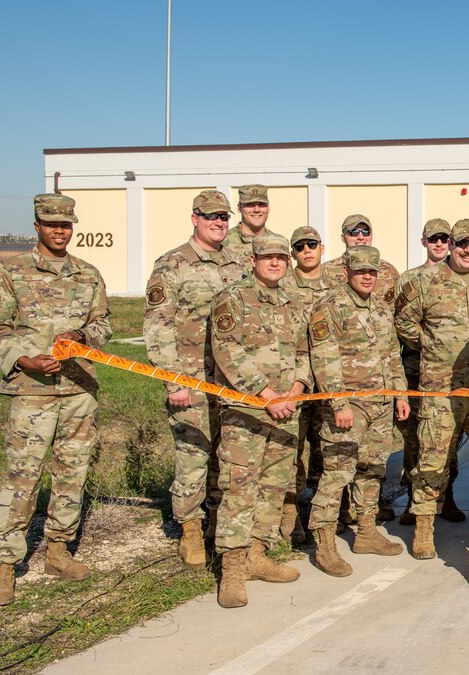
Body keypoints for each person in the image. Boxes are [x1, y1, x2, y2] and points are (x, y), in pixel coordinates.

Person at [0, 193, 112, 607]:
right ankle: (5, 564)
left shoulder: (88, 274)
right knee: (23, 476)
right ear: (36, 225)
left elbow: (103, 325)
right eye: (51, 223)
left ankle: (58, 551)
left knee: (72, 474)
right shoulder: (11, 272)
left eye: (66, 223)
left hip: (78, 390)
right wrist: (22, 358)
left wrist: (82, 339)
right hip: (31, 392)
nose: (60, 230)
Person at [144, 189, 249, 568]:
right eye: (210, 216)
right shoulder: (172, 264)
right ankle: (190, 528)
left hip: (232, 380)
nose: (218, 222)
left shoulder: (238, 264)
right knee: (193, 455)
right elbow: (158, 327)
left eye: (223, 216)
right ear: (194, 219)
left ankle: (218, 527)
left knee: (227, 455)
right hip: (192, 378)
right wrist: (174, 381)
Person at [211, 232, 311, 608]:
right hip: (246, 411)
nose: (275, 262)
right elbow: (228, 352)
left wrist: (298, 388)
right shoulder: (232, 299)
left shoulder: (293, 303)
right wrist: (267, 396)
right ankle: (233, 569)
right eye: (267, 256)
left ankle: (257, 553)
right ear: (252, 260)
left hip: (286, 411)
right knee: (239, 487)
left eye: (281, 257)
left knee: (272, 485)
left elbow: (304, 350)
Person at [395, 218, 469, 559]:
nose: (468, 250)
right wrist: (431, 345)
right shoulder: (426, 280)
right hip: (440, 389)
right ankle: (425, 528)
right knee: (431, 460)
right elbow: (402, 320)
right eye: (462, 244)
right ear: (452, 245)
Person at [307, 246, 409, 577]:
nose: (367, 276)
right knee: (337, 472)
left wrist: (401, 394)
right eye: (360, 270)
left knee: (371, 469)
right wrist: (338, 403)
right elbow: (323, 358)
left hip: (380, 404)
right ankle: (324, 543)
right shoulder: (330, 306)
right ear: (348, 271)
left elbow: (393, 353)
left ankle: (365, 532)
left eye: (372, 271)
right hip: (349, 406)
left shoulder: (379, 308)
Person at [394, 218, 460, 526]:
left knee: (449, 439)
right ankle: (413, 500)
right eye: (433, 238)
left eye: (444, 238)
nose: (439, 243)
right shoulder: (411, 278)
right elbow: (401, 321)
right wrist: (431, 343)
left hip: (452, 376)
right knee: (417, 441)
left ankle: (447, 499)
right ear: (424, 242)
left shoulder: (459, 277)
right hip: (417, 372)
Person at [283, 225, 331, 545]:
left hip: (328, 378)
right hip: (296, 378)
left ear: (322, 247)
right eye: (299, 247)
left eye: (311, 244)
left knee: (326, 448)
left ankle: (325, 514)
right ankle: (291, 516)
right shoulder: (283, 286)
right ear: (293, 254)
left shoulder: (336, 286)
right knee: (292, 450)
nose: (306, 251)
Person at [322, 214, 400, 306]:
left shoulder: (388, 270)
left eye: (366, 232)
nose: (361, 237)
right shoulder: (326, 270)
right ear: (343, 237)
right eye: (353, 232)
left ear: (371, 235)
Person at [222, 185, 270, 260]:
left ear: (268, 208)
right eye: (250, 205)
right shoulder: (223, 242)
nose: (256, 210)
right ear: (239, 208)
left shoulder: (278, 242)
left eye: (261, 205)